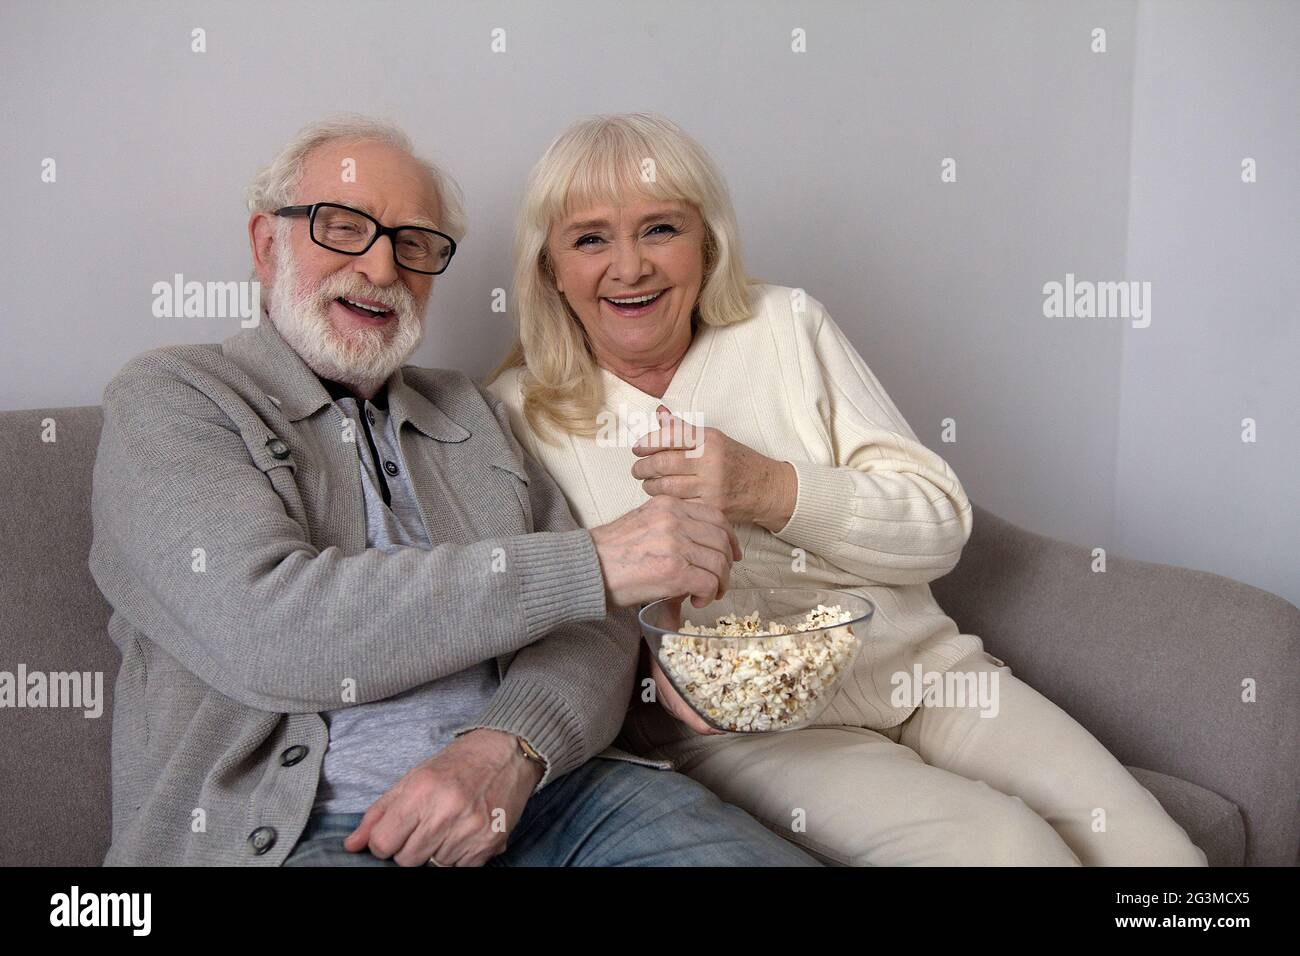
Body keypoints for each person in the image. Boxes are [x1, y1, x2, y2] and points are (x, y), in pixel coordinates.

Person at [87, 114, 818, 868]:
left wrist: (508, 750)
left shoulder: (469, 409)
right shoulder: (174, 398)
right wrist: (592, 564)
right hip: (310, 830)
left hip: (552, 797)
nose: (379, 269)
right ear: (267, 244)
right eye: (343, 228)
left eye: (412, 244)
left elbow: (595, 628)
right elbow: (269, 631)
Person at [486, 112, 1208, 866]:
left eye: (660, 228)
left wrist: (766, 485)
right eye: (591, 238)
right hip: (756, 735)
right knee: (1010, 851)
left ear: (707, 242)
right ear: (550, 270)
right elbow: (534, 610)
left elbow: (940, 525)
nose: (630, 267)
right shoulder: (518, 414)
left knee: (1164, 862)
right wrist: (645, 656)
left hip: (931, 678)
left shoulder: (784, 327)